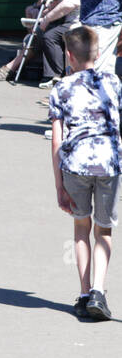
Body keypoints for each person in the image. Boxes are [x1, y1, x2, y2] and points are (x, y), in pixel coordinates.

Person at [49, 24, 122, 320]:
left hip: (76, 165)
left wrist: (59, 186)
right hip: (109, 163)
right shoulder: (114, 83)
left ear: (68, 56)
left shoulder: (61, 89)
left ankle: (83, 293)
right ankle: (98, 292)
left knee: (81, 226)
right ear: (96, 52)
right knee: (103, 230)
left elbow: (56, 139)